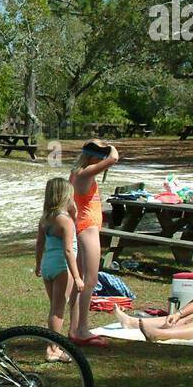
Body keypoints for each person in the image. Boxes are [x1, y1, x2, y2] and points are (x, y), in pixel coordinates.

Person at [69, 140, 120, 346]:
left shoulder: (79, 172)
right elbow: (114, 158)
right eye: (99, 156)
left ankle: (75, 328)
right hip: (87, 229)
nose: (102, 161)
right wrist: (109, 147)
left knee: (80, 281)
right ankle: (81, 328)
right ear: (91, 157)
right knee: (89, 280)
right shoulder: (85, 172)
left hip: (85, 226)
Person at [35, 177, 84, 360]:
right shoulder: (65, 221)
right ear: (66, 196)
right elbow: (68, 249)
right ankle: (53, 349)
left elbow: (39, 244)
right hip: (62, 268)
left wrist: (38, 264)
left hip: (48, 265)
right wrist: (77, 276)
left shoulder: (46, 218)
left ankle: (53, 345)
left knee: (54, 308)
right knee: (58, 310)